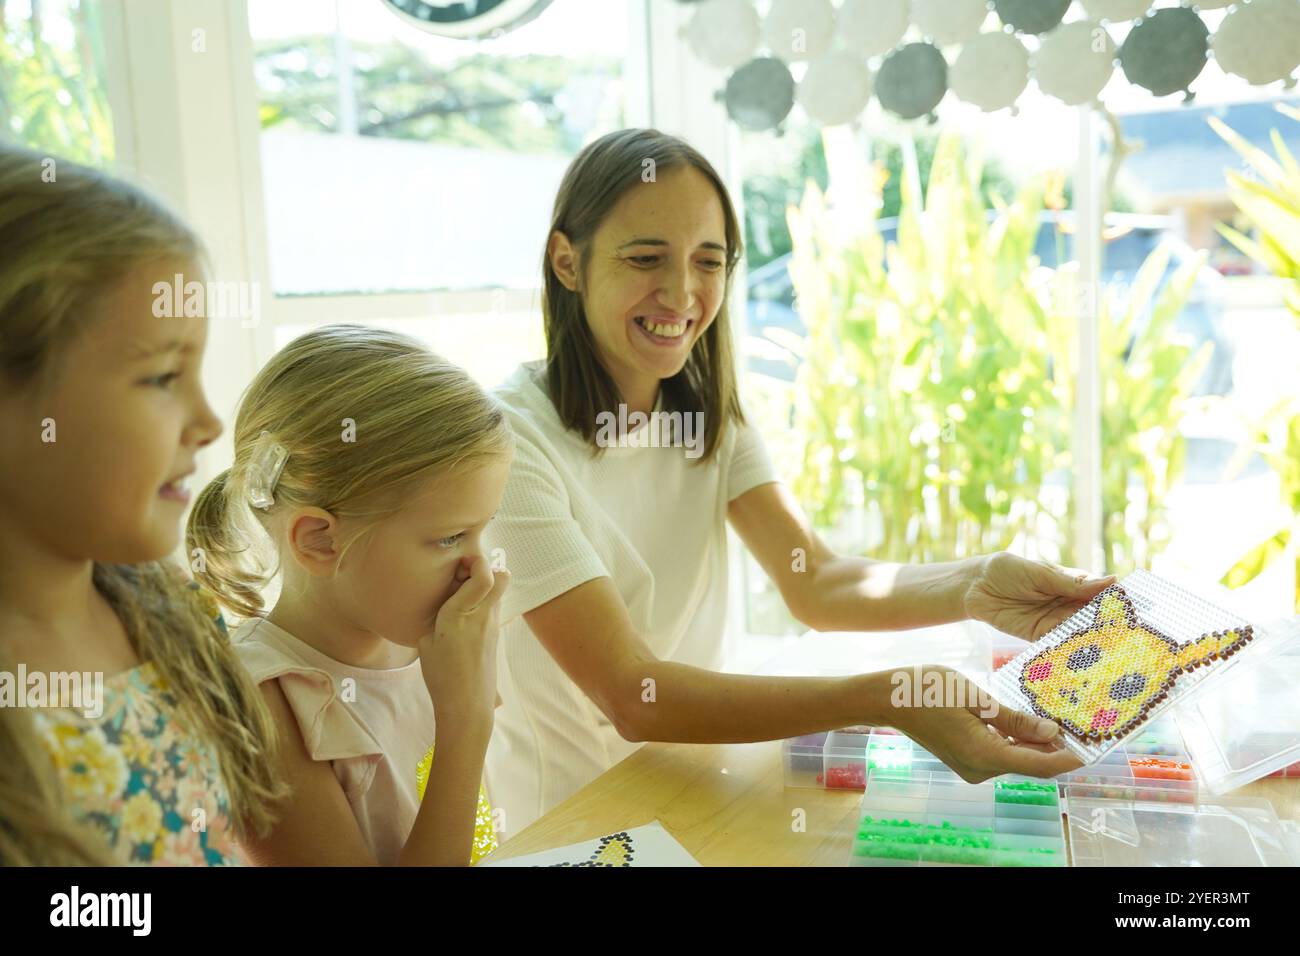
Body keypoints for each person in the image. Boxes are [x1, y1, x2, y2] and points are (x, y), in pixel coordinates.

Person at [482, 128, 1112, 835]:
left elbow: (817, 581)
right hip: (575, 827)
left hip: (696, 790)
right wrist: (891, 696)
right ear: (566, 261)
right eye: (645, 258)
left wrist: (975, 586)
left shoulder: (707, 415)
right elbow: (634, 695)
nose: (682, 292)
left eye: (708, 261)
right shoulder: (507, 443)